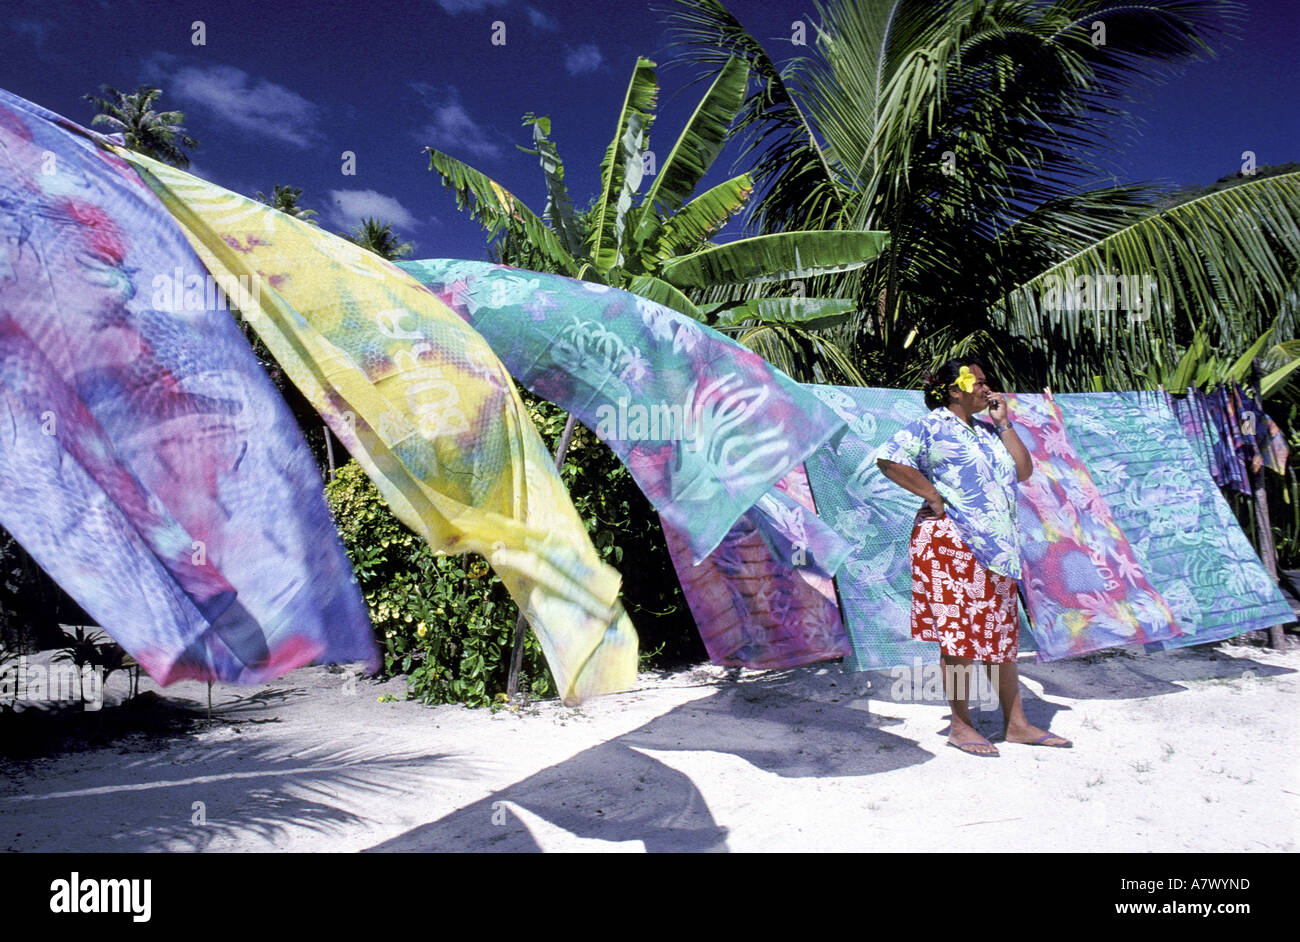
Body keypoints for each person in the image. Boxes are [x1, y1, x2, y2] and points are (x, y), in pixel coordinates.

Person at [875, 357, 1072, 756]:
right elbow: (889, 458)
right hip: (950, 542)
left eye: (987, 383)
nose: (987, 389)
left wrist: (1003, 423)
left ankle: (1016, 724)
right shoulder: (932, 427)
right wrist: (932, 495)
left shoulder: (986, 432)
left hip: (996, 548)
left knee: (1001, 635)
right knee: (959, 636)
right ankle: (961, 726)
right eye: (978, 383)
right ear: (954, 390)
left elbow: (1022, 470)